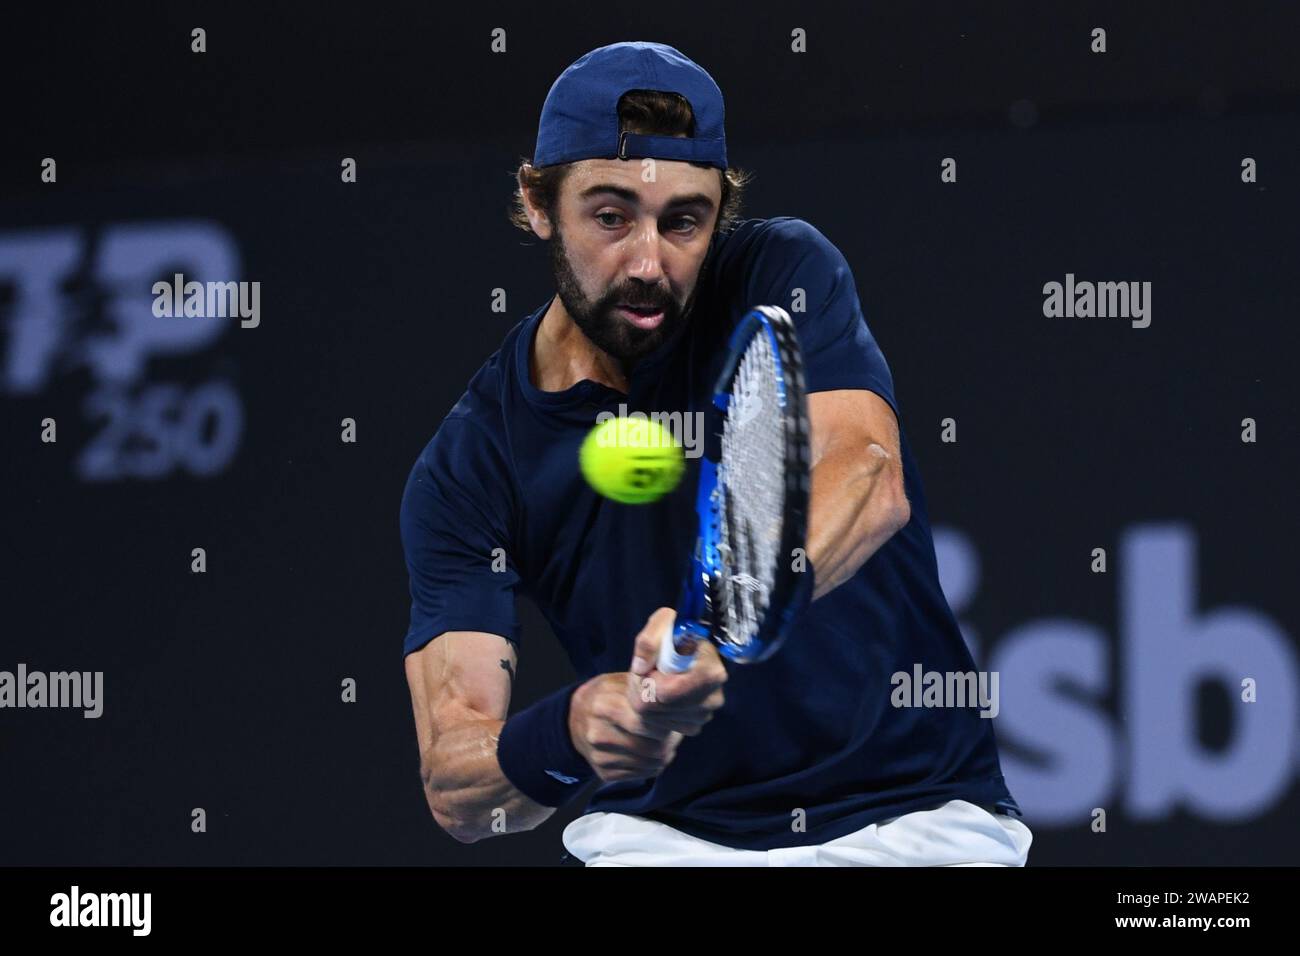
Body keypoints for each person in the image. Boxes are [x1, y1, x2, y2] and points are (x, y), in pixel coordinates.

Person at [401, 40, 1031, 866]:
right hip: (661, 842)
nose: (648, 264)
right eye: (611, 214)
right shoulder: (471, 463)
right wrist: (576, 726)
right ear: (537, 201)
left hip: (909, 821)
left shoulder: (782, 269)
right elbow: (458, 783)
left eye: (684, 221)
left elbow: (869, 476)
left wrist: (734, 612)